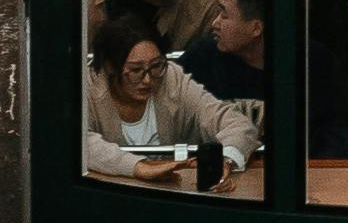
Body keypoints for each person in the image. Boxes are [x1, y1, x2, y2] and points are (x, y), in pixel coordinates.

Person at [84, 26, 253, 188]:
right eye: (136, 70)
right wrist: (139, 167)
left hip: (172, 192)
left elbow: (237, 124)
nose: (148, 80)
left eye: (156, 66)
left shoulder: (171, 78)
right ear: (109, 67)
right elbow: (78, 142)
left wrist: (225, 160)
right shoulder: (87, 85)